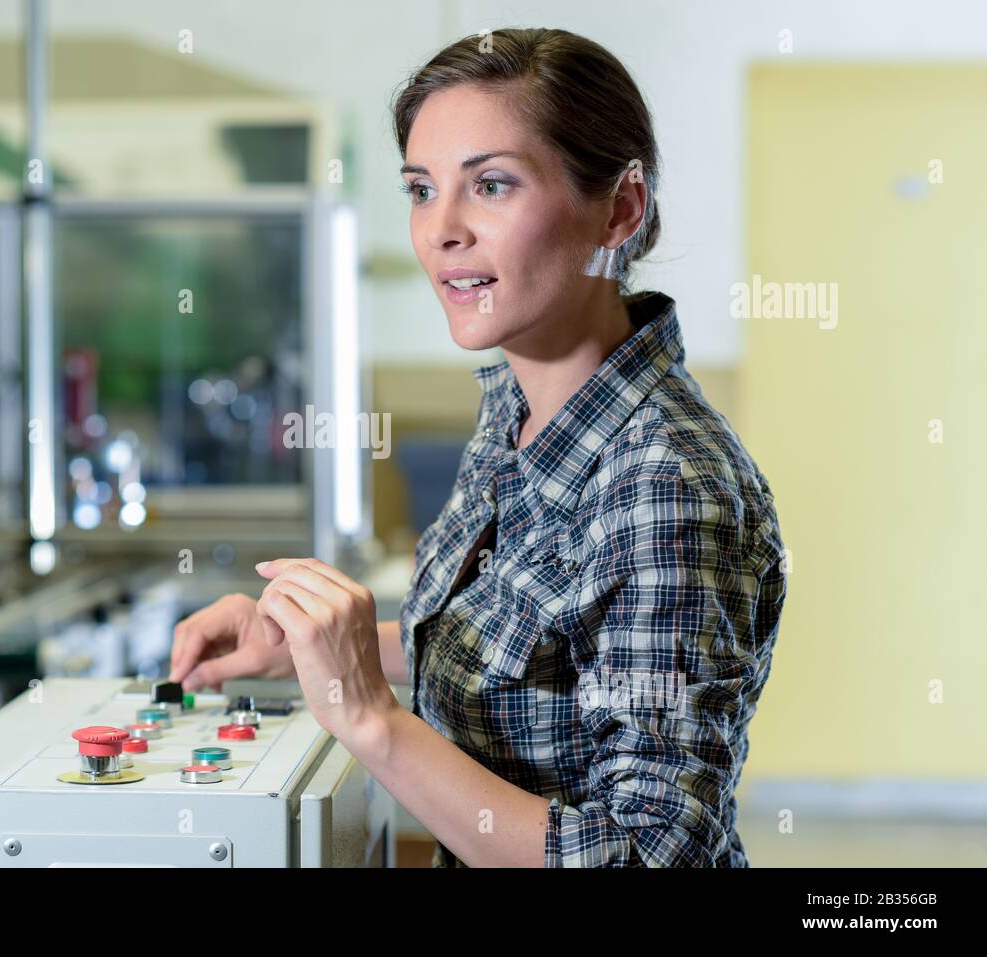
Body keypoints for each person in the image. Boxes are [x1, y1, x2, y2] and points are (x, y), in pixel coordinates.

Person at [168, 27, 787, 868]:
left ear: (620, 209)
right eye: (422, 190)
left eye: (491, 185)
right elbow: (517, 659)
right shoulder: (517, 414)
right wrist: (306, 651)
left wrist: (371, 720)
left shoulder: (664, 483)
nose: (441, 231)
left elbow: (650, 853)